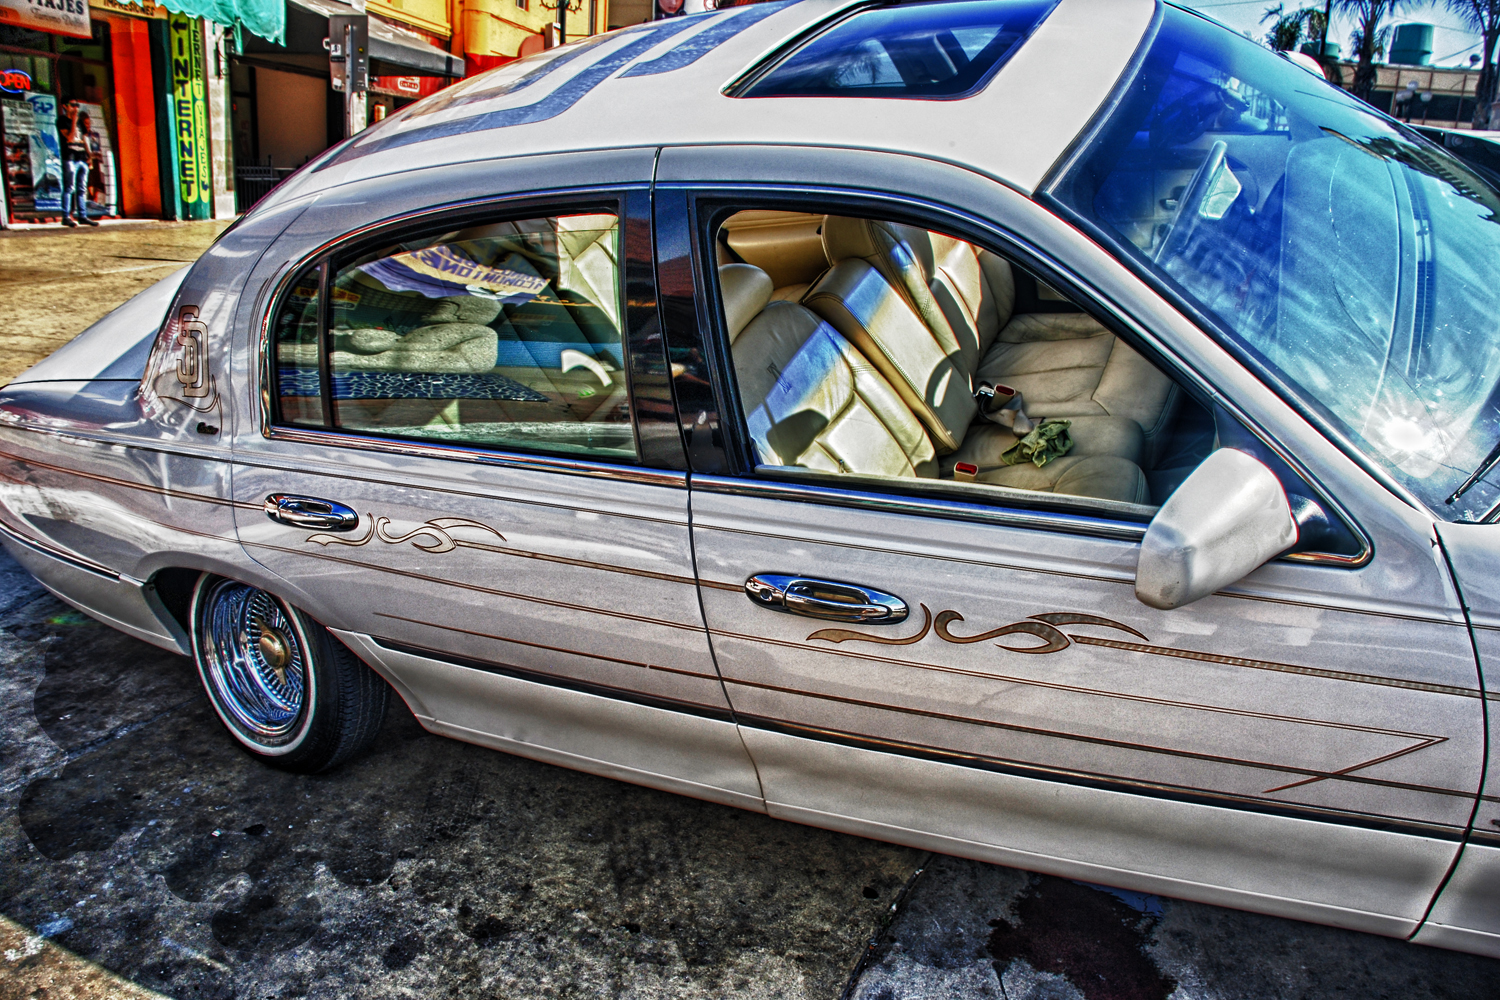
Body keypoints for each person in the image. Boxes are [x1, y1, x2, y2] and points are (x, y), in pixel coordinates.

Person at [56, 101, 97, 227]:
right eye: (72, 105)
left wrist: (89, 156)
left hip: (81, 158)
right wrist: (73, 120)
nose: (75, 108)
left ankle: (82, 216)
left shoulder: (80, 122)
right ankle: (66, 216)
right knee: (69, 187)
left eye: (77, 105)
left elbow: (84, 139)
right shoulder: (62, 120)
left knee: (81, 189)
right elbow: (69, 137)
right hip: (70, 157)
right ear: (65, 106)